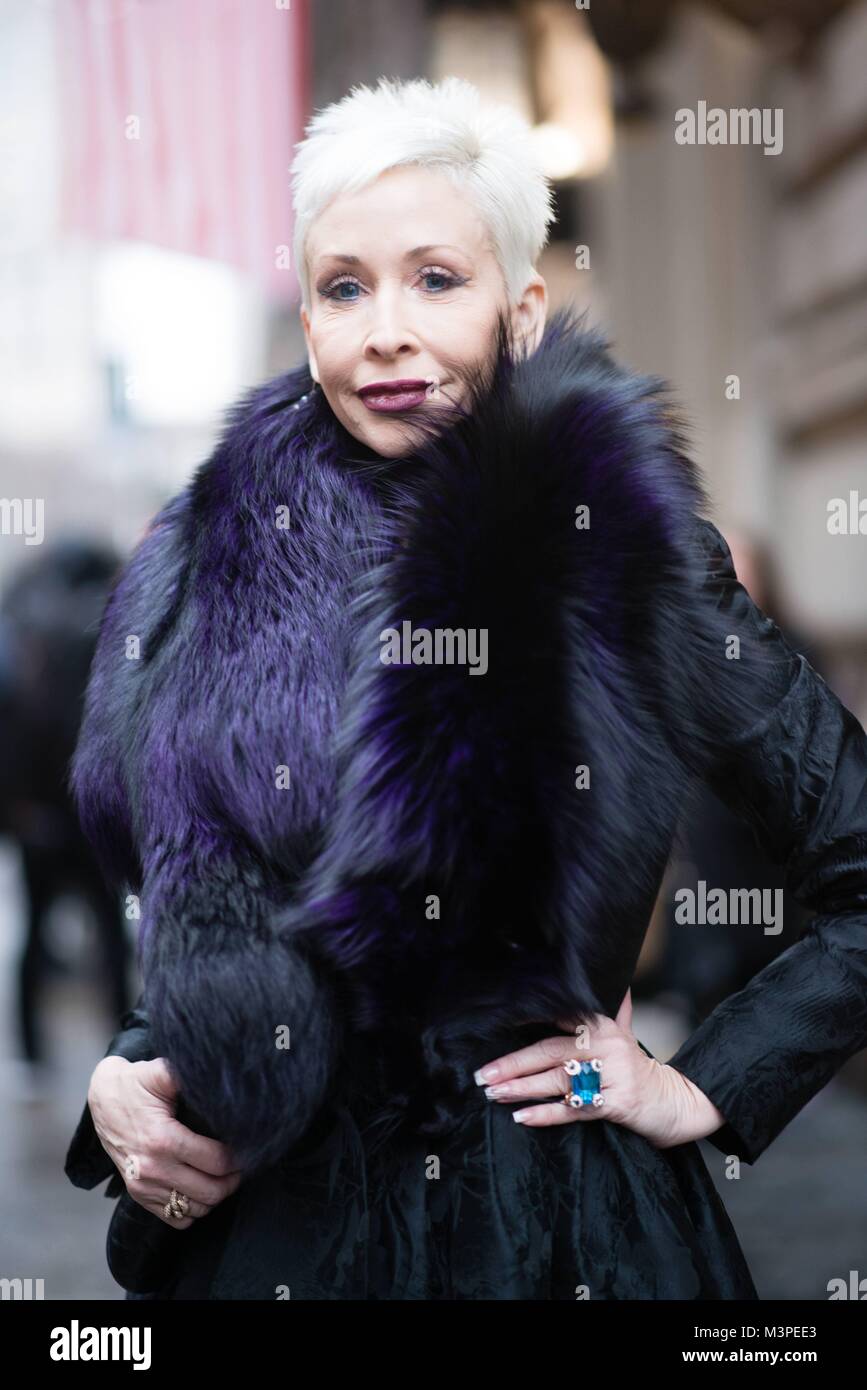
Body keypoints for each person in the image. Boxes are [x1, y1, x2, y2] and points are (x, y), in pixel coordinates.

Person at [63, 76, 867, 1301]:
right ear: (310, 318)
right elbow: (223, 924)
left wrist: (702, 1078)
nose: (386, 329)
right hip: (275, 1228)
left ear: (523, 306)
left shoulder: (617, 549)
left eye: (437, 279)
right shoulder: (214, 563)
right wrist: (122, 1077)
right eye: (345, 287)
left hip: (544, 1229)